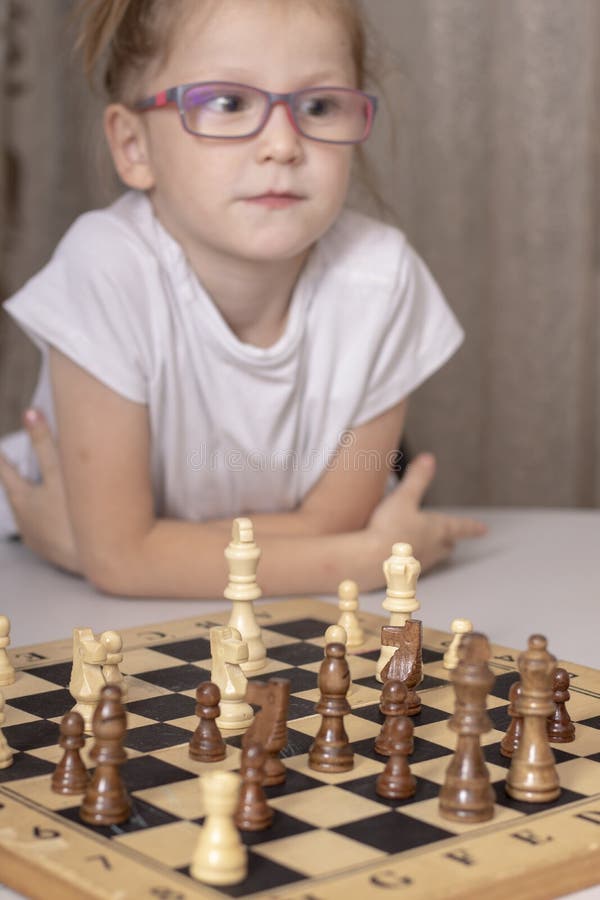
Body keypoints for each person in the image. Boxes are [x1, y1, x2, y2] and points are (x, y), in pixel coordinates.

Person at [0, 0, 486, 598]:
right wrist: (371, 561)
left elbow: (327, 526)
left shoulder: (383, 281)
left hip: (261, 606)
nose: (282, 145)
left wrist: (126, 551)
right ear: (134, 146)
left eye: (319, 105)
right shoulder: (105, 269)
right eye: (228, 103)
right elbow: (124, 561)